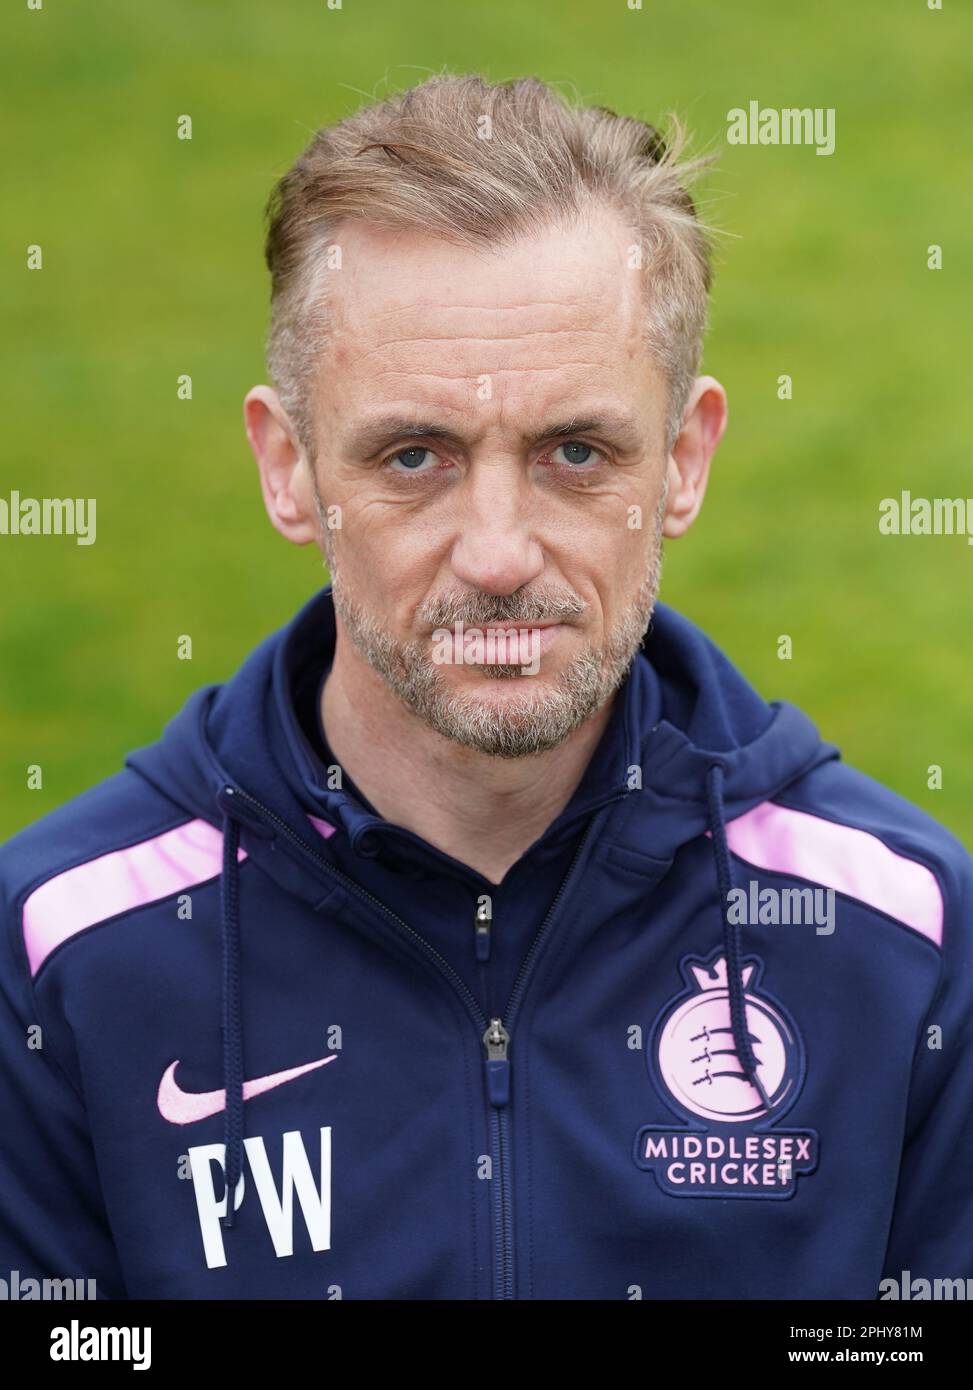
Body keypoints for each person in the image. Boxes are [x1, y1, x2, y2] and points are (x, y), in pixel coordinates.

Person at [1, 74, 970, 1301]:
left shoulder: (902, 932)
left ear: (683, 458)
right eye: (415, 457)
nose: (500, 554)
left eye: (576, 453)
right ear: (288, 467)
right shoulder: (62, 952)